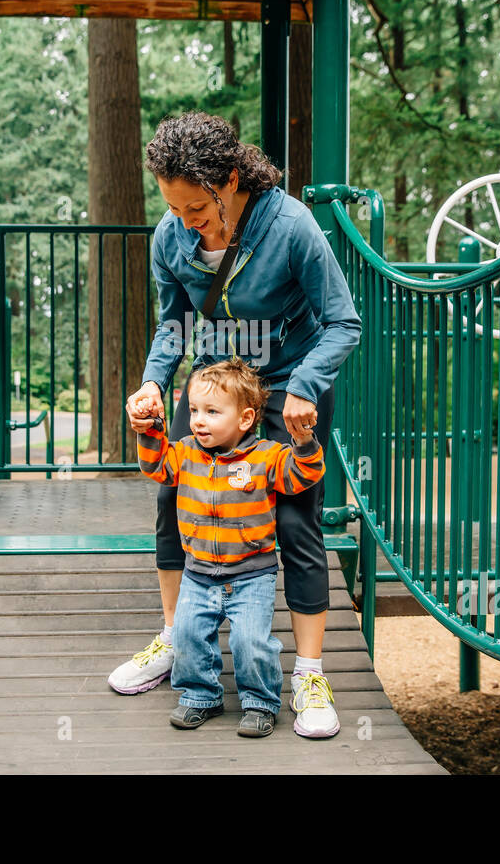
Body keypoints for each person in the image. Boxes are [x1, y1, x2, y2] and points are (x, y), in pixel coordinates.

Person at [107, 110, 361, 739]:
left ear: (228, 178)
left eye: (196, 208)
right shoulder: (170, 236)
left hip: (289, 384)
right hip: (217, 385)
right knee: (173, 502)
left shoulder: (292, 226)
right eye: (173, 208)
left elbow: (344, 322)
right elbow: (173, 324)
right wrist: (152, 383)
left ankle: (307, 672)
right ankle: (174, 641)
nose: (185, 223)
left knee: (298, 519)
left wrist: (304, 386)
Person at [133, 359, 324, 737]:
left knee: (251, 642)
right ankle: (200, 695)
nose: (198, 420)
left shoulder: (266, 456)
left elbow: (303, 475)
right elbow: (155, 466)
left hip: (252, 574)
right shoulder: (185, 453)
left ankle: (260, 702)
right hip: (198, 572)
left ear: (245, 418)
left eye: (211, 412)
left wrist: (303, 442)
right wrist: (152, 429)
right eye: (193, 411)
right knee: (187, 635)